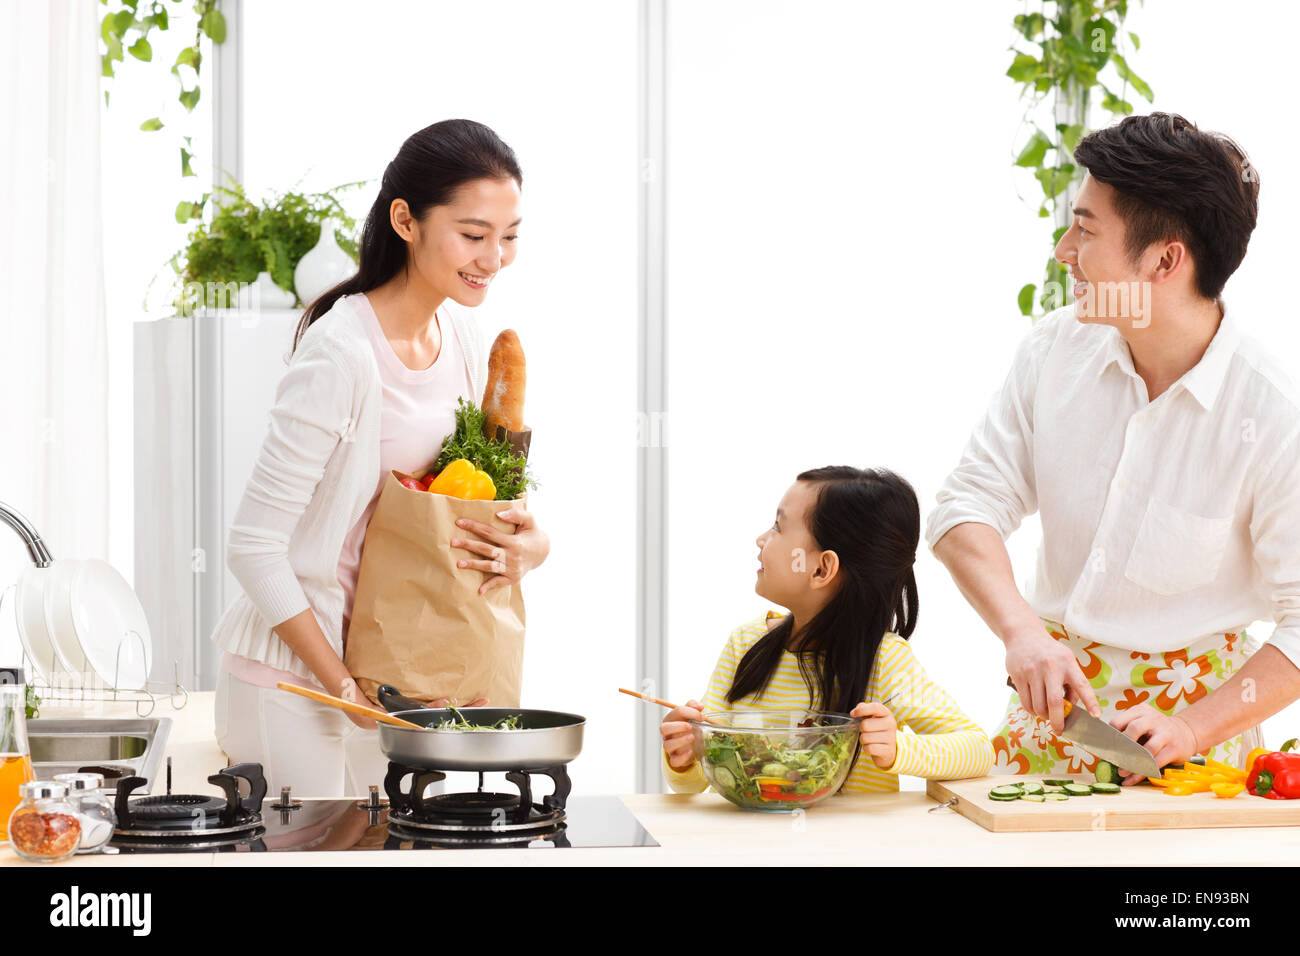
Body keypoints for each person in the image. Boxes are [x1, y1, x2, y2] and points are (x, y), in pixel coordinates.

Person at [928, 112, 1300, 782]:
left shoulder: (1273, 415)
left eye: (1086, 228)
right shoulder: (1054, 348)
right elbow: (965, 506)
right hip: (1047, 726)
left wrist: (1190, 727)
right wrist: (1022, 632)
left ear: (1164, 260)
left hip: (1194, 751)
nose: (1063, 249)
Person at [210, 119, 551, 797]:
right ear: (406, 220)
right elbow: (252, 546)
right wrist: (338, 683)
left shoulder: (463, 335)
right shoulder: (343, 353)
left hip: (398, 666)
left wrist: (530, 544)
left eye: (508, 237)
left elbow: (461, 497)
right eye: (473, 235)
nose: (494, 258)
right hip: (300, 678)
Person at [660, 467, 993, 794]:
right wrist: (685, 756)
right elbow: (693, 784)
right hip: (753, 845)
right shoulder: (745, 644)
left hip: (849, 849)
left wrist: (899, 749)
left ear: (821, 568)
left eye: (778, 527)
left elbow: (978, 750)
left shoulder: (884, 660)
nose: (761, 539)